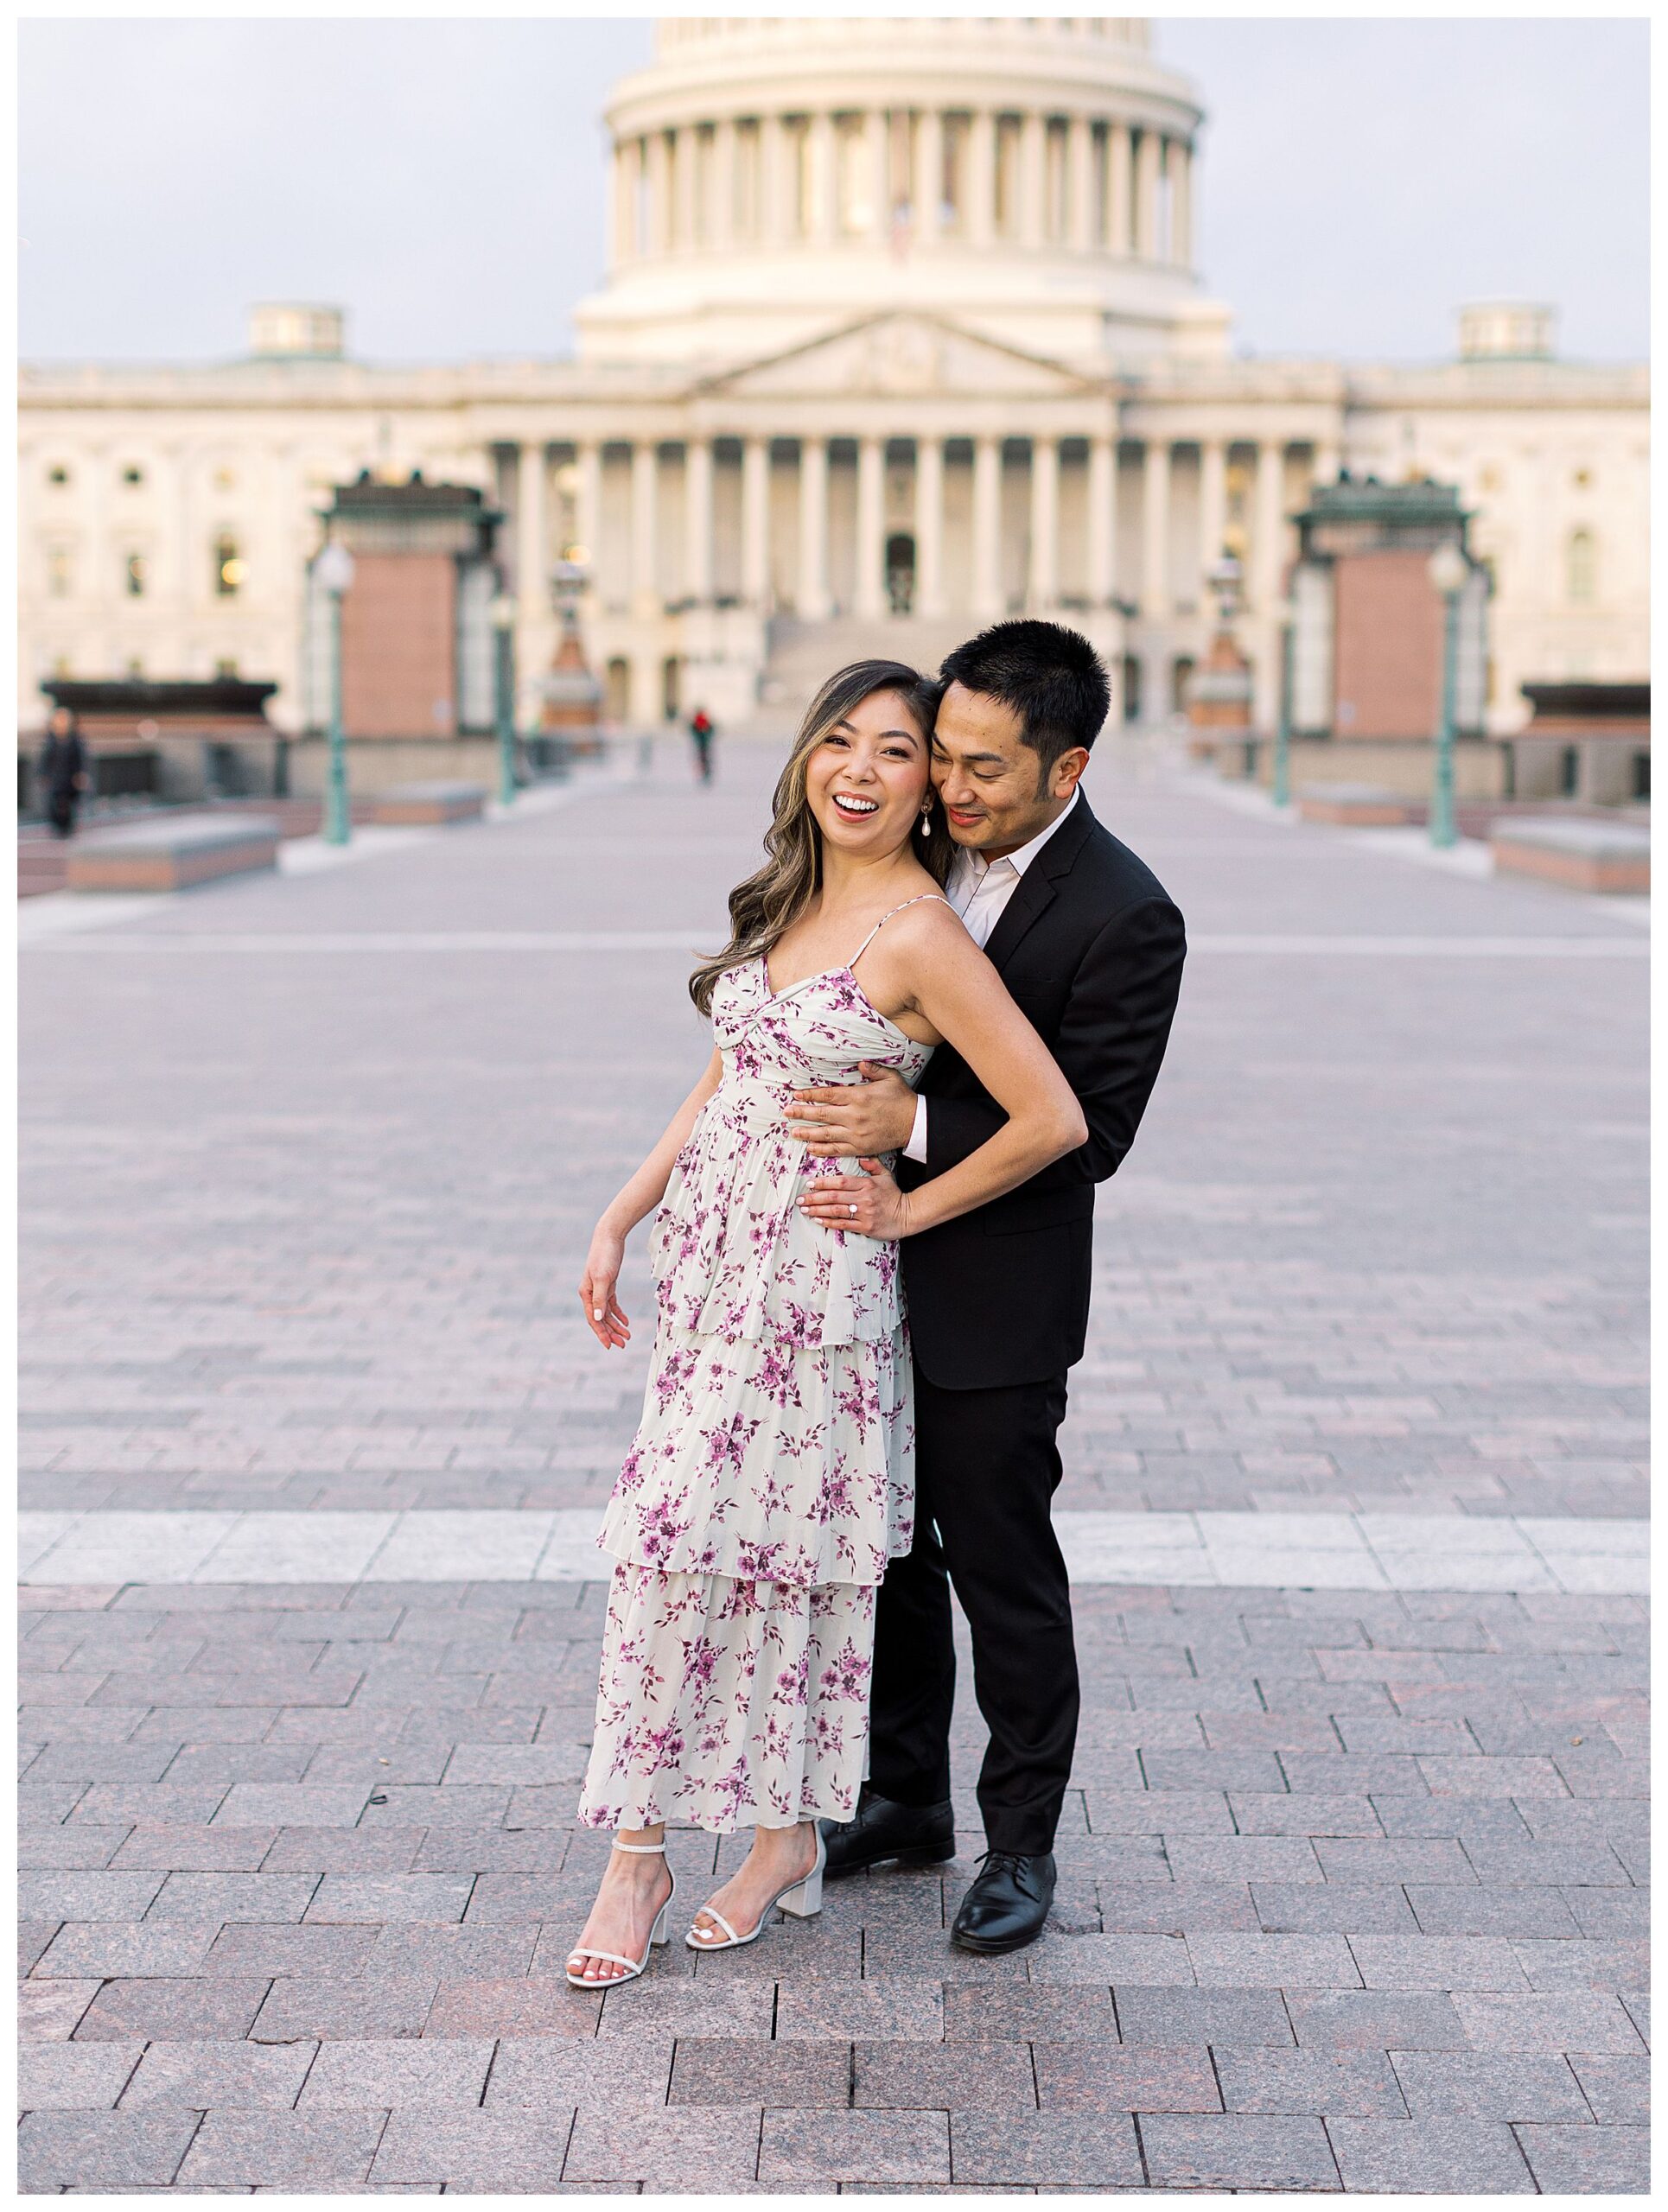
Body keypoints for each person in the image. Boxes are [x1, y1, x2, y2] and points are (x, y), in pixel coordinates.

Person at [565, 658, 1086, 1988]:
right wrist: (625, 1210)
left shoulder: (921, 933)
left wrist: (909, 1216)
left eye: (896, 751)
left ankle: (706, 1847)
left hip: (814, 1289)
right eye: (838, 741)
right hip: (711, 1277)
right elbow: (726, 1071)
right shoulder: (796, 896)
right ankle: (730, 1836)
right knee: (681, 1547)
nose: (858, 768)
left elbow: (1052, 1119)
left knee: (737, 1554)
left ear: (928, 789)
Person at [793, 620, 1187, 1955]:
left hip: (995, 1300)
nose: (950, 792)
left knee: (1000, 1574)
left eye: (984, 774)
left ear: (1066, 767)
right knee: (886, 1556)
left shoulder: (1126, 912)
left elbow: (1095, 1136)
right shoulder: (915, 854)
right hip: (855, 1272)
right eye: (942, 760)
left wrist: (898, 1128)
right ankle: (902, 1797)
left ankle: (1019, 1843)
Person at [38, 705, 90, 838]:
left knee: (69, 804)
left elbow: (80, 759)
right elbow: (44, 760)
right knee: (54, 803)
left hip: (70, 778)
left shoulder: (75, 740)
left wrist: (80, 775)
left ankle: (67, 827)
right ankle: (57, 827)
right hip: (55, 778)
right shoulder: (50, 740)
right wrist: (43, 775)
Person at [689, 704, 716, 783]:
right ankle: (704, 774)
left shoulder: (699, 720)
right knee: (704, 759)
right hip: (703, 743)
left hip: (702, 744)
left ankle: (705, 773)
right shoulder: (700, 720)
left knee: (703, 759)